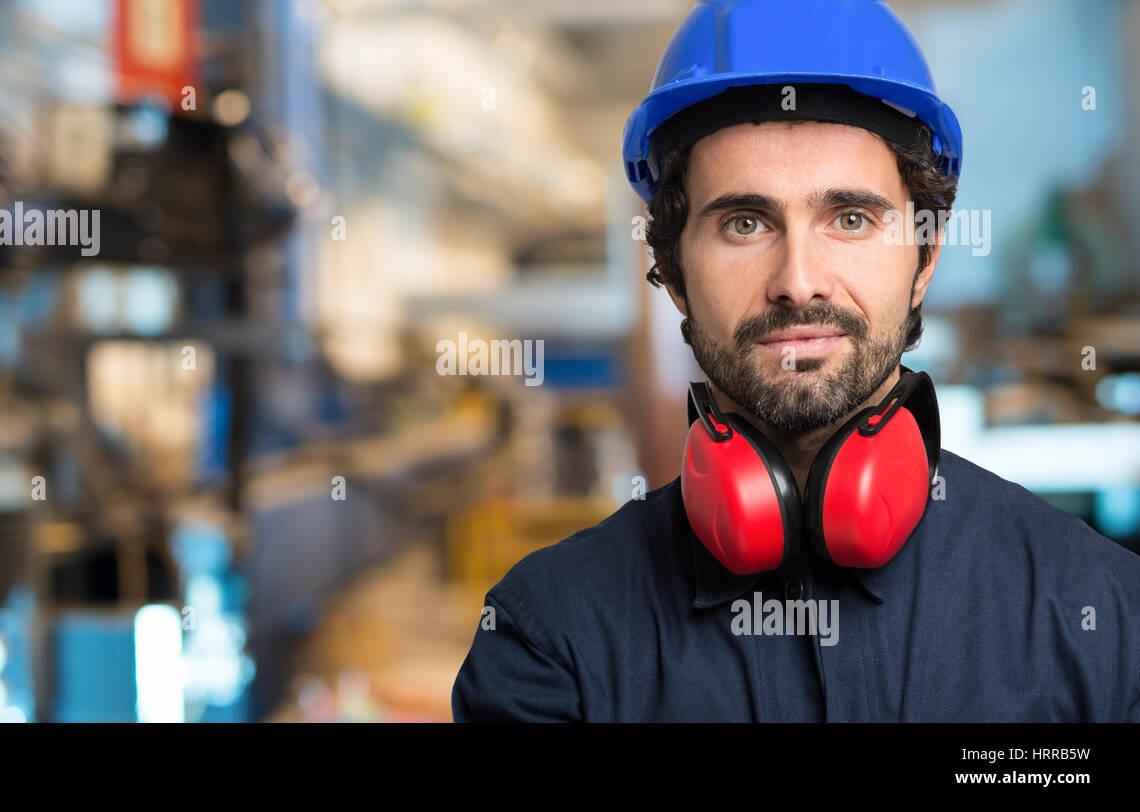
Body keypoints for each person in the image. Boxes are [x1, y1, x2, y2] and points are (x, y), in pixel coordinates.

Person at [451, 0, 1140, 722]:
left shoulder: (1106, 622)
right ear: (675, 274)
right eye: (745, 223)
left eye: (850, 219)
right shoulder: (549, 646)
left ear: (925, 259)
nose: (798, 280)